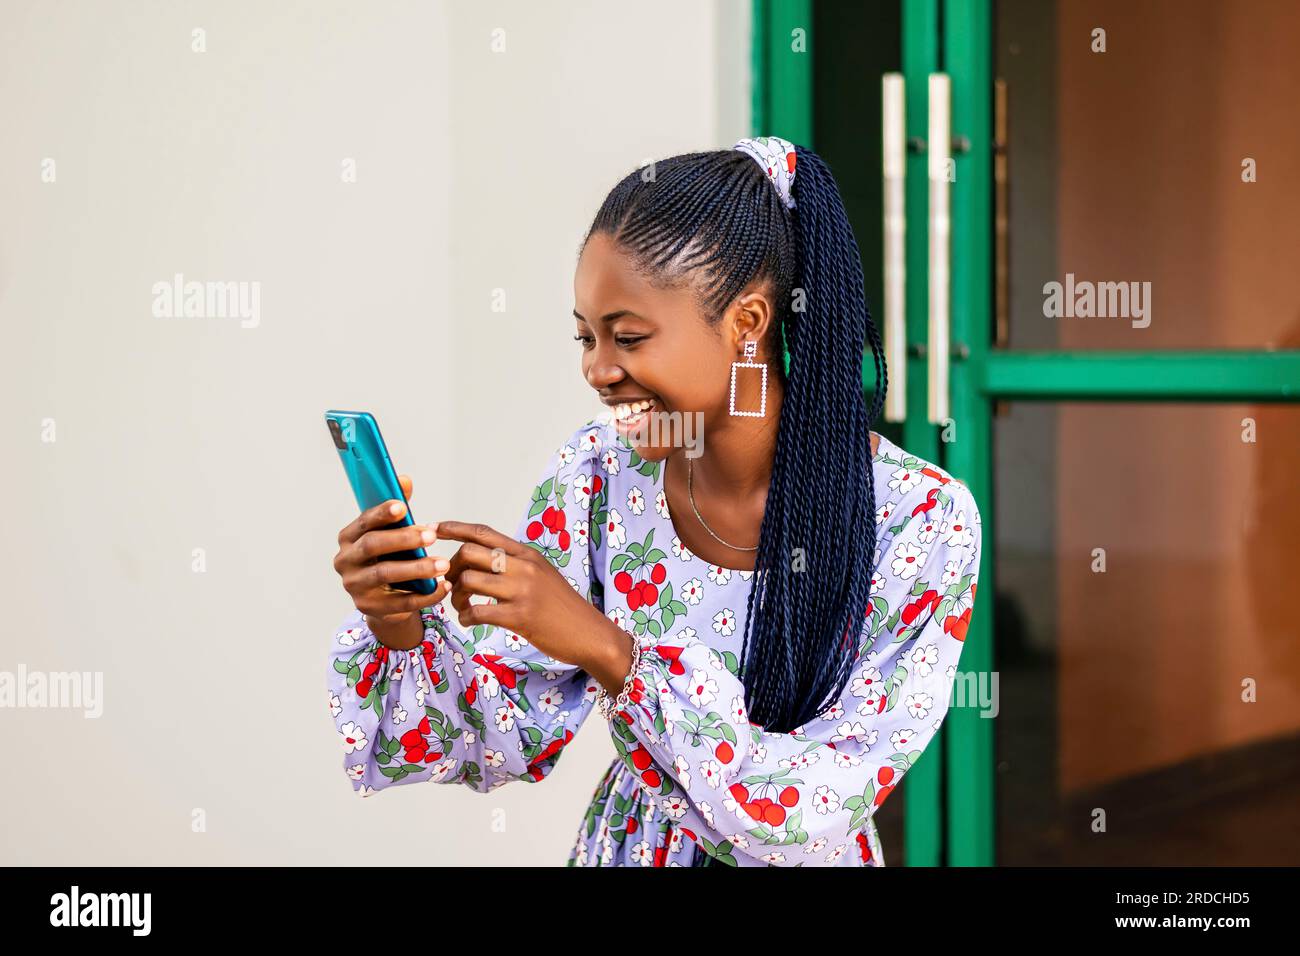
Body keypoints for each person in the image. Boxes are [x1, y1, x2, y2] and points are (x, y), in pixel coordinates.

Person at [326, 136, 982, 867]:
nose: (599, 371)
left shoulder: (919, 519)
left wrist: (607, 648)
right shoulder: (597, 474)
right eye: (585, 338)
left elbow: (809, 804)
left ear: (747, 323)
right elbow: (497, 739)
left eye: (629, 337)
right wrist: (398, 626)